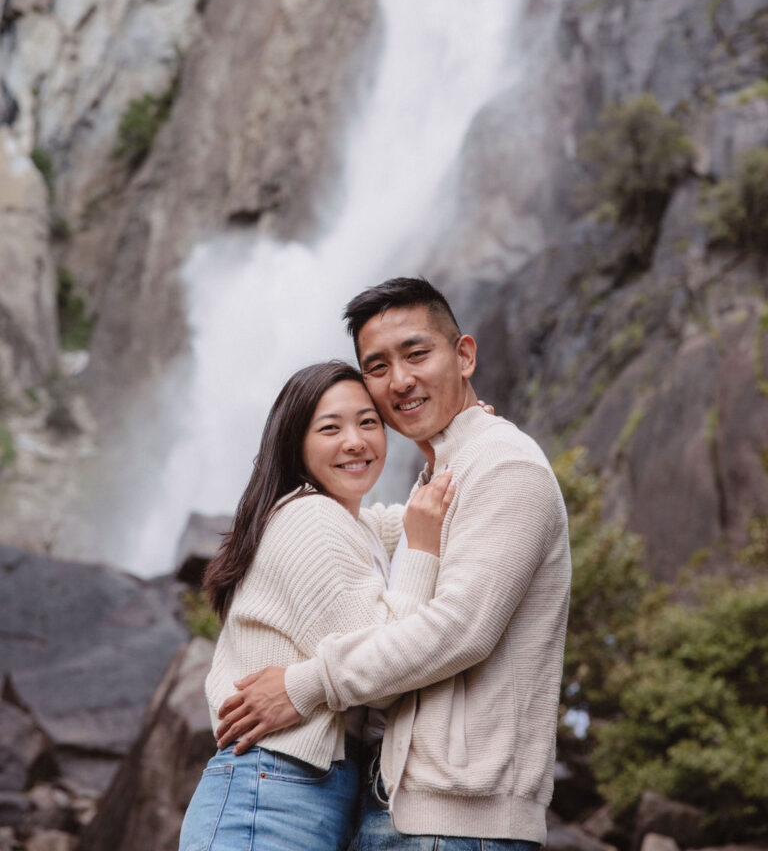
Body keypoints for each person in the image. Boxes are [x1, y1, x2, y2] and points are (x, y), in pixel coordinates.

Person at [215, 277, 572, 851]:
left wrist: (305, 684)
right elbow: (380, 527)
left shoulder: (505, 466)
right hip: (401, 808)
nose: (399, 380)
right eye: (376, 366)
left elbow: (460, 630)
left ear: (464, 356)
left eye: (417, 354)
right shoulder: (448, 474)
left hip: (454, 823)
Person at [179, 360, 455, 851]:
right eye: (330, 428)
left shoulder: (354, 525)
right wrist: (425, 550)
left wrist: (457, 439)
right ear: (296, 444)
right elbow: (390, 669)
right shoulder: (311, 520)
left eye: (368, 422)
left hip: (293, 789)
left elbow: (412, 516)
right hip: (271, 792)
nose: (355, 441)